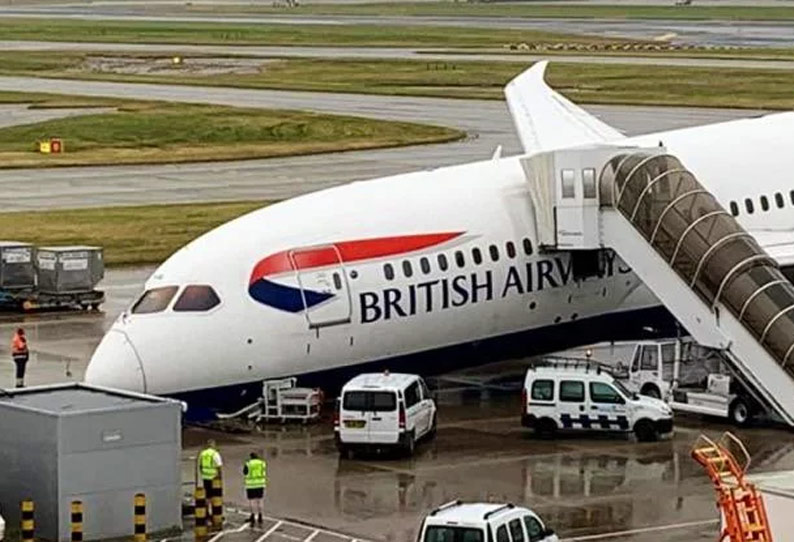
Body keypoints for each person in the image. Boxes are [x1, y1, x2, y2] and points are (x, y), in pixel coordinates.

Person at [198, 439, 223, 519]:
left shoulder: (203, 453)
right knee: (215, 496)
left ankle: (206, 512)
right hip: (214, 478)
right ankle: (215, 513)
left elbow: (200, 466)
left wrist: (203, 473)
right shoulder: (215, 454)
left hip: (205, 477)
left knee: (207, 495)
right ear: (212, 445)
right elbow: (219, 466)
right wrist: (219, 477)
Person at [243, 452, 267, 526]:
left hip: (251, 485)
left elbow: (245, 472)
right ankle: (260, 516)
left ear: (251, 457)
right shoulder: (262, 463)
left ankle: (253, 515)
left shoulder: (248, 464)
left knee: (252, 501)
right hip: (260, 484)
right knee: (260, 500)